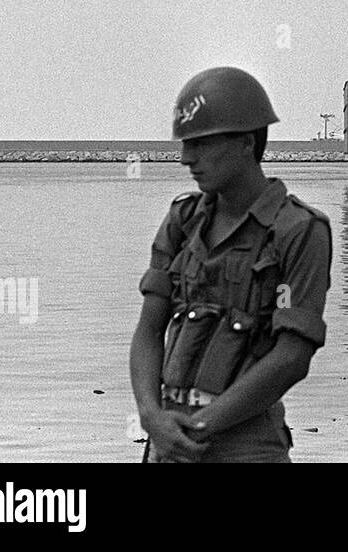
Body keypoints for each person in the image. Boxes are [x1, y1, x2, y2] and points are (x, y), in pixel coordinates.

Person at [129, 66, 332, 463]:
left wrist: (197, 428)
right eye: (186, 143)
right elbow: (149, 330)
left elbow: (291, 358)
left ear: (246, 143)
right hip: (167, 442)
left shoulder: (299, 231)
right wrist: (152, 418)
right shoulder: (183, 222)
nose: (187, 158)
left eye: (202, 143)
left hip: (246, 450)